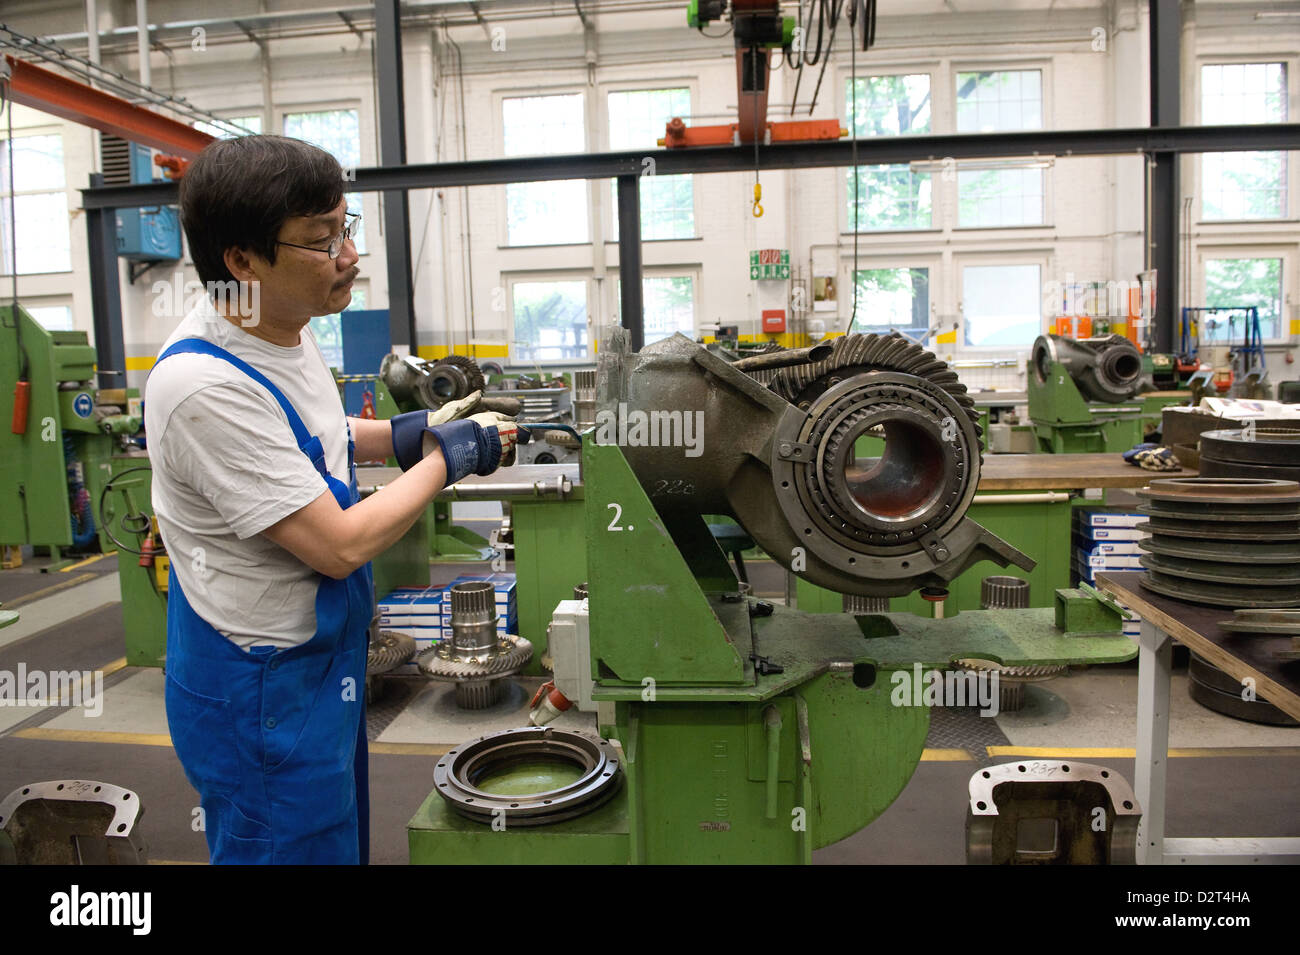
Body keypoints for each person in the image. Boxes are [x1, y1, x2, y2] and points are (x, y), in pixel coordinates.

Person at [144, 134, 516, 864]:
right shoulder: (201, 385)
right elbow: (339, 543)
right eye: (323, 241)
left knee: (331, 843)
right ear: (242, 261)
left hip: (317, 664)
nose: (350, 255)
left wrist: (409, 434)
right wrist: (451, 458)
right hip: (261, 687)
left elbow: (311, 436)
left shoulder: (282, 328)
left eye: (346, 228)